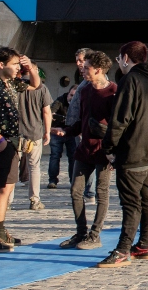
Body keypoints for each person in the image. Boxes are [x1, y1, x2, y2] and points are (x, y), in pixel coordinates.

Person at [98, 42, 148, 269]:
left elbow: (121, 118)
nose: (119, 62)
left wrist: (108, 148)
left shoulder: (131, 80)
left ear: (125, 58)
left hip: (133, 151)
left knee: (131, 203)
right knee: (147, 199)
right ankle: (145, 245)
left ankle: (122, 249)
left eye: (119, 58)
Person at [0, 47, 41, 252]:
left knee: (7, 186)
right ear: (1, 65)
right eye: (14, 64)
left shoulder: (10, 81)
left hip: (11, 142)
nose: (18, 68)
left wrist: (31, 69)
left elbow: (35, 85)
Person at [54, 51, 117, 251]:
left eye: (87, 66)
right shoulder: (85, 90)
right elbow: (82, 119)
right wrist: (67, 131)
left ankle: (95, 234)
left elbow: (118, 125)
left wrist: (114, 152)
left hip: (104, 151)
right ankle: (81, 232)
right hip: (84, 149)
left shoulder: (114, 91)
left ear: (98, 70)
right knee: (75, 191)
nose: (82, 69)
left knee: (101, 193)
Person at [65, 48, 97, 201]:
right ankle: (86, 191)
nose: (78, 64)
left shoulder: (92, 83)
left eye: (81, 60)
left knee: (88, 160)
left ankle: (90, 192)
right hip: (78, 128)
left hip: (87, 130)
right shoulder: (83, 82)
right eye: (77, 60)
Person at [16, 75, 52, 211]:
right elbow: (46, 111)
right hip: (35, 132)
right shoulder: (42, 88)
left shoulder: (15, 86)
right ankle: (34, 199)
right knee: (34, 167)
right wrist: (47, 131)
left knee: (13, 166)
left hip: (16, 132)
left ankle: (7, 201)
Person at [46, 84, 76, 189]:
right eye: (71, 95)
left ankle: (73, 180)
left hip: (71, 132)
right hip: (57, 131)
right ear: (68, 93)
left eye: (74, 96)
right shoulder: (60, 100)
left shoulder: (78, 103)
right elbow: (51, 113)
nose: (72, 98)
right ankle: (52, 180)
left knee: (73, 157)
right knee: (55, 156)